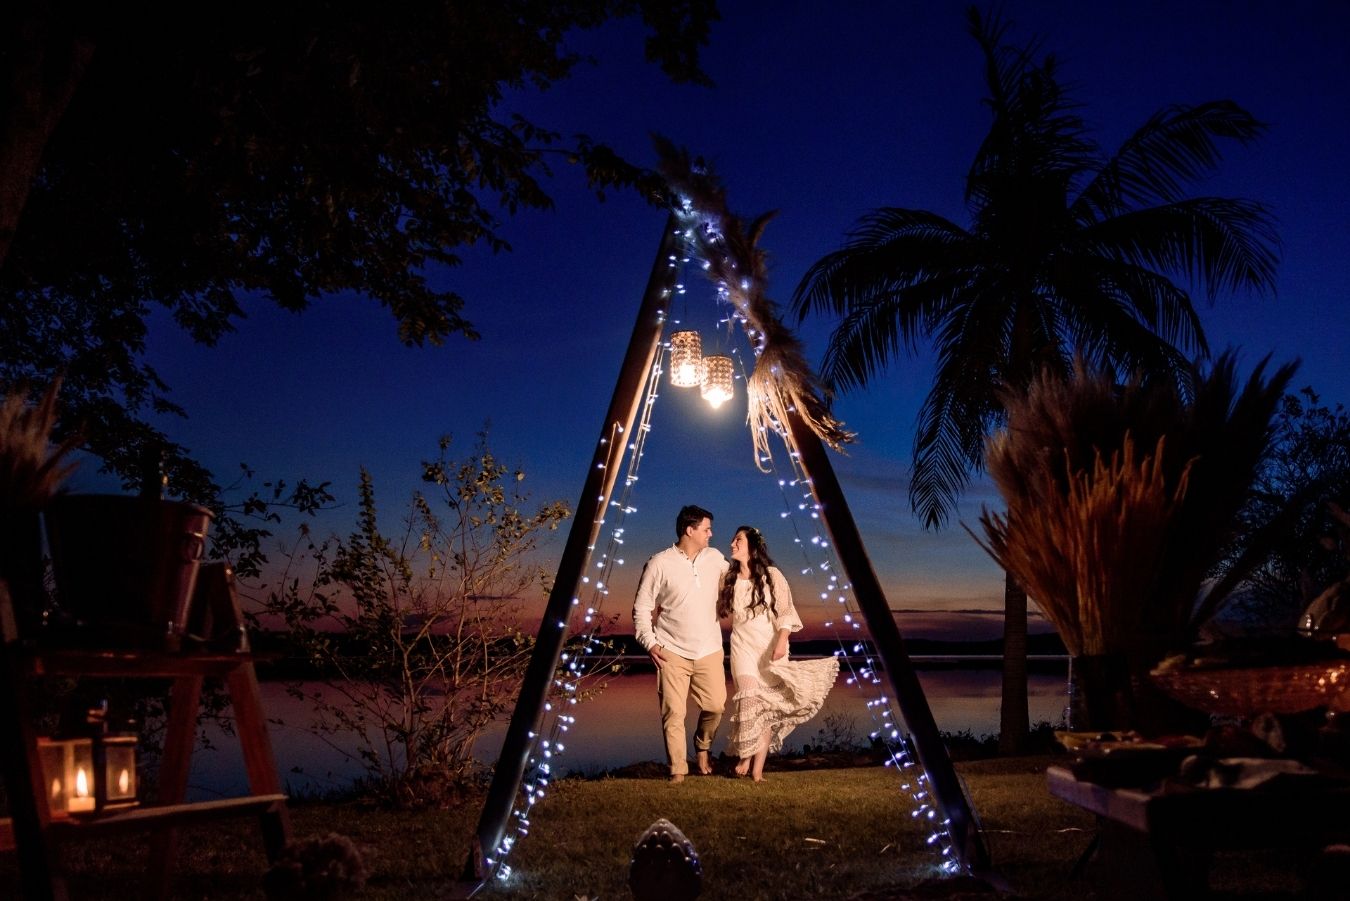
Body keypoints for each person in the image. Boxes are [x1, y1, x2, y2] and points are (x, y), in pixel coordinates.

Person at [719, 525, 839, 781]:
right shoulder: (728, 578)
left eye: (737, 539)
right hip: (742, 648)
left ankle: (758, 772)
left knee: (767, 712)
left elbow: (785, 611)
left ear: (753, 546)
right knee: (749, 697)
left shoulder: (771, 576)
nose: (732, 544)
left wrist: (782, 641)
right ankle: (745, 756)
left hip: (770, 648)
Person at [633, 504, 729, 783]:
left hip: (709, 649)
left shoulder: (714, 558)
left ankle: (702, 746)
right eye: (706, 529)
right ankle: (678, 770)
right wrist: (650, 643)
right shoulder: (659, 563)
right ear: (690, 530)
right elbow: (642, 607)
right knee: (674, 712)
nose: (711, 534)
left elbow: (738, 581)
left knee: (716, 705)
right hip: (671, 650)